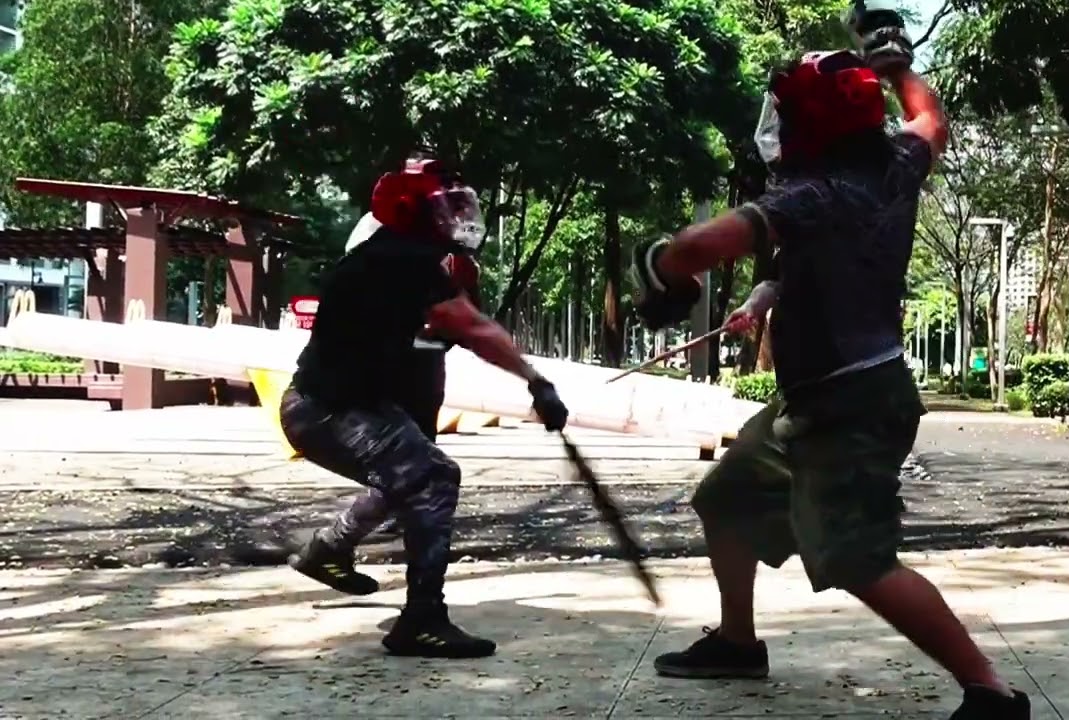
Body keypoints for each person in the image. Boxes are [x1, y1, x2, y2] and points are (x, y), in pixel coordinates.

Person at [627, 8, 1031, 719]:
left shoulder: (808, 194)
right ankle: (737, 641)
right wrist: (898, 63)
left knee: (856, 558)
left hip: (848, 408)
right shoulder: (893, 165)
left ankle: (989, 691)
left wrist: (661, 271)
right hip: (821, 401)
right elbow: (931, 118)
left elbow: (697, 246)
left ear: (804, 126)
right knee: (725, 499)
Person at [279, 156, 569, 659]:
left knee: (413, 471)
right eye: (449, 206)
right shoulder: (403, 256)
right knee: (431, 476)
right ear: (420, 212)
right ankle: (422, 620)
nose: (461, 216)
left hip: (348, 402)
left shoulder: (399, 256)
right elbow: (473, 327)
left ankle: (330, 551)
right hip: (327, 409)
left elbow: (447, 325)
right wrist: (536, 381)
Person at [286, 215, 482, 591]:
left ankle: (331, 548)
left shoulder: (429, 249)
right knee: (420, 474)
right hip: (374, 385)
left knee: (415, 473)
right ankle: (421, 612)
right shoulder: (388, 249)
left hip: (407, 374)